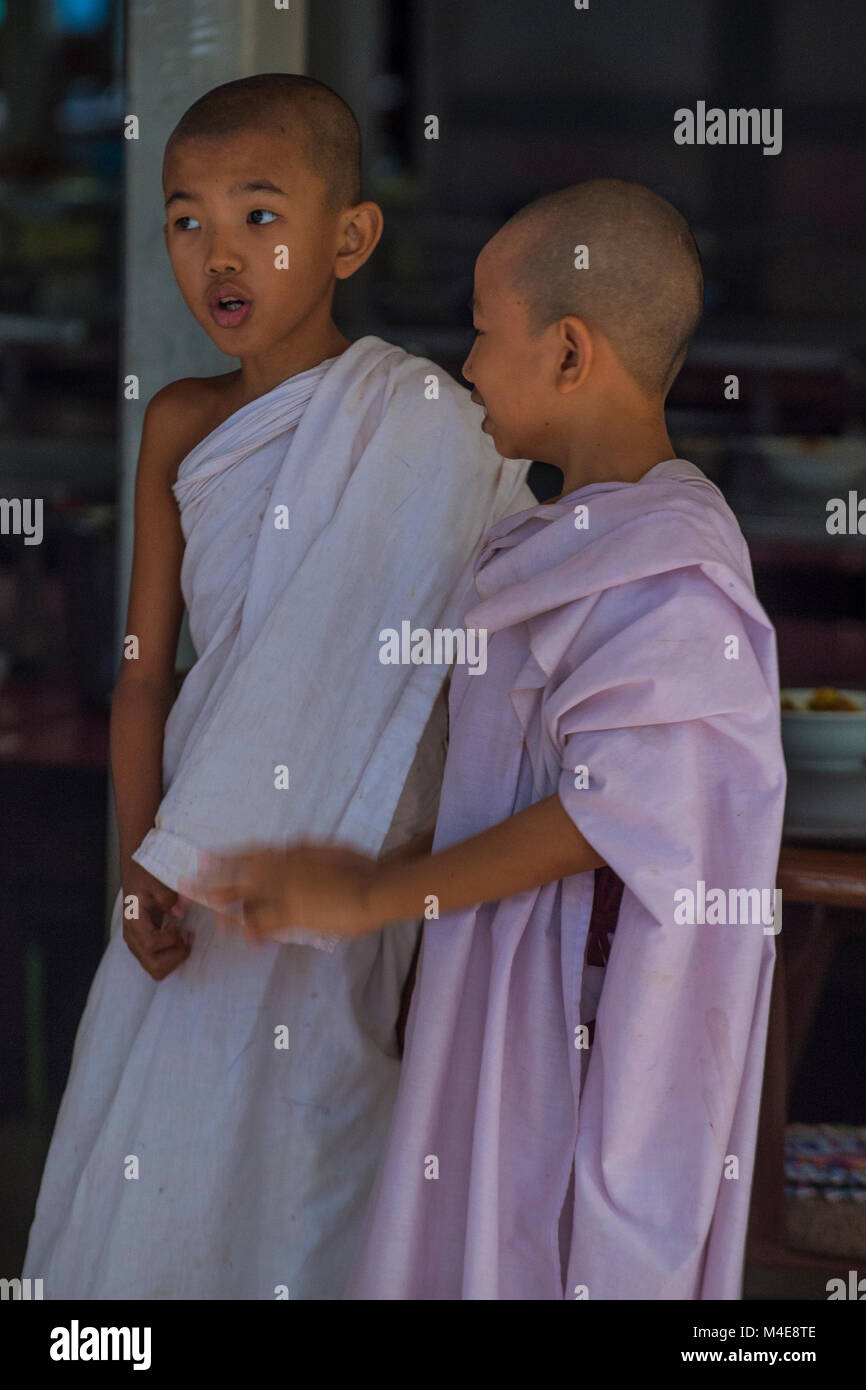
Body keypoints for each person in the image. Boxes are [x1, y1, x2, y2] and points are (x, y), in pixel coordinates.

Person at [188, 179, 787, 1300]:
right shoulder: (553, 537)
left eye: (479, 327)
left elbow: (615, 811)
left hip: (597, 1037)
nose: (462, 363)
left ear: (567, 353)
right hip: (507, 1004)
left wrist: (377, 893)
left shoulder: (674, 572)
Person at [22, 73, 533, 1301]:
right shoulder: (182, 425)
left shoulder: (420, 419)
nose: (218, 254)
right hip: (186, 869)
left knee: (315, 1169)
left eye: (260, 214)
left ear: (348, 237)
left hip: (346, 872)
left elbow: (446, 680)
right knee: (158, 1160)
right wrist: (143, 860)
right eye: (185, 219)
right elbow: (145, 680)